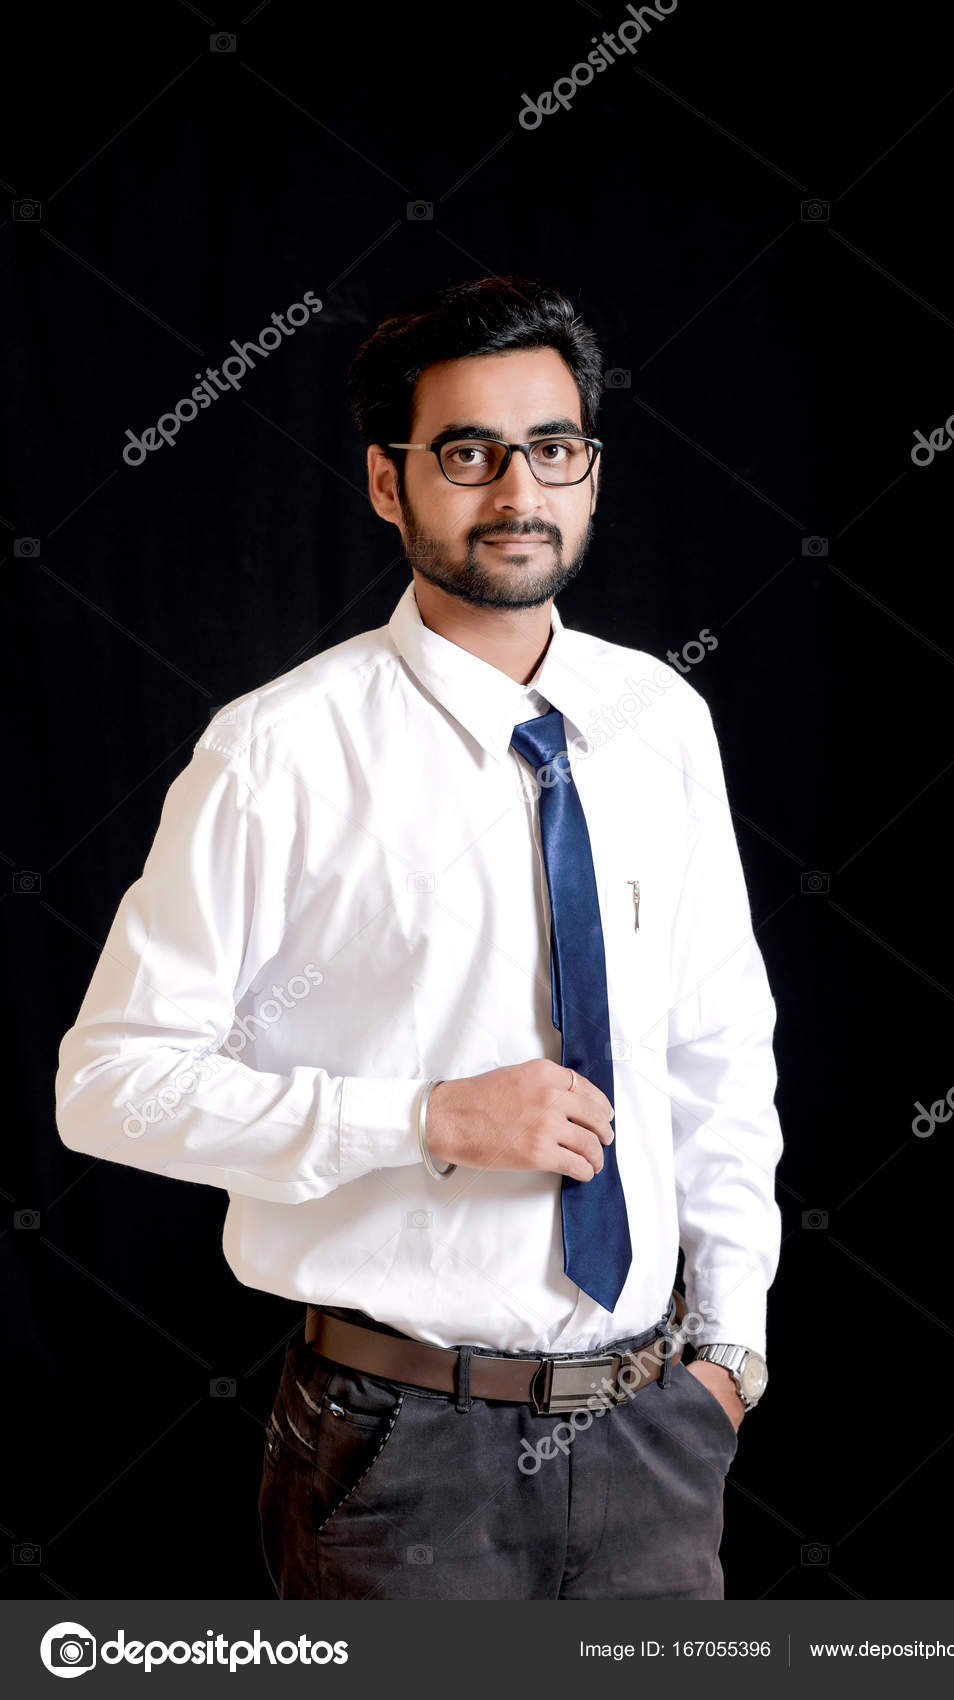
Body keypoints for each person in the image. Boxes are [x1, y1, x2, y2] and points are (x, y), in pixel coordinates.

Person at [55, 274, 784, 1600]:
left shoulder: (659, 721)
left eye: (552, 448)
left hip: (655, 1438)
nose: (518, 492)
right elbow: (110, 1089)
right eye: (468, 453)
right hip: (401, 1451)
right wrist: (428, 1120)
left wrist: (732, 1348)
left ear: (593, 471)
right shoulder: (277, 752)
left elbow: (718, 1048)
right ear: (390, 484)